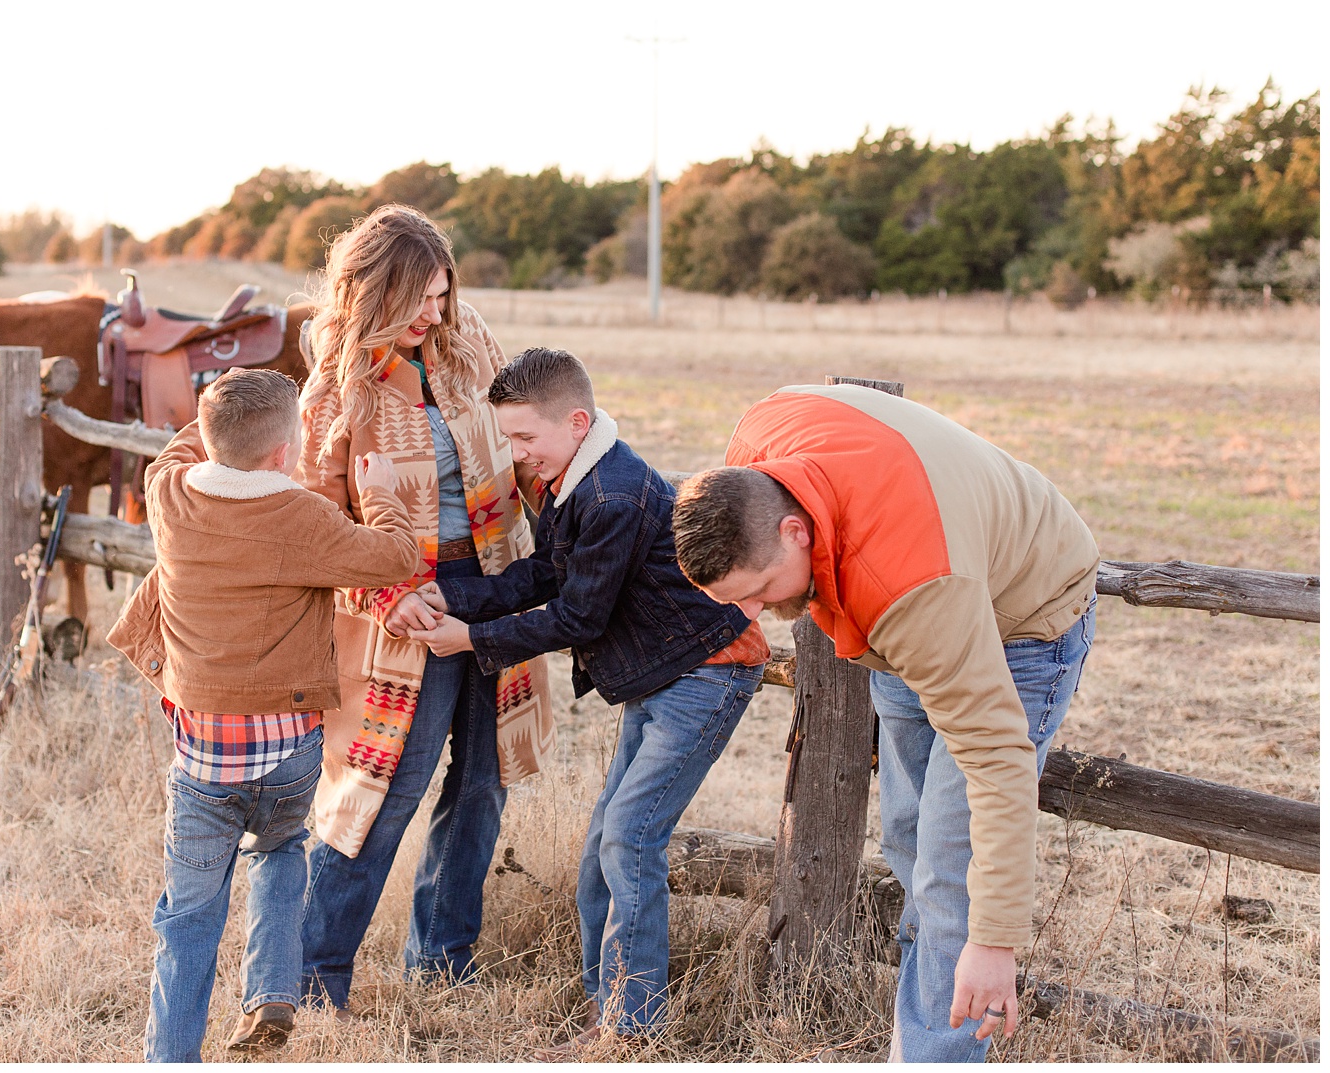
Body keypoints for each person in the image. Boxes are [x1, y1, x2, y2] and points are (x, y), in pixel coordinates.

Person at [670, 383, 1098, 1063]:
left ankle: (932, 1047)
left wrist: (993, 942)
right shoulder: (757, 446)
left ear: (794, 529)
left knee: (949, 875)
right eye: (733, 600)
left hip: (1017, 617)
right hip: (904, 601)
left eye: (757, 589)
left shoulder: (913, 587)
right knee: (910, 838)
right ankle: (922, 1021)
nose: (751, 614)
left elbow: (997, 762)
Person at [408, 348, 767, 1049]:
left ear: (576, 421)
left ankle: (631, 1032)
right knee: (607, 842)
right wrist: (451, 594)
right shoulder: (568, 480)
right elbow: (543, 572)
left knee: (632, 836)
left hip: (707, 672)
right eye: (508, 438)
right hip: (658, 673)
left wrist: (470, 639)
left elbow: (577, 618)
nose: (515, 453)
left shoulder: (614, 495)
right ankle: (609, 1007)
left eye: (523, 438)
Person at [106, 368, 419, 1061]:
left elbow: (176, 453)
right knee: (281, 849)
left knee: (186, 918)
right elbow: (396, 556)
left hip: (202, 760)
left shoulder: (169, 494)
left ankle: (171, 1057)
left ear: (207, 435)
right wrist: (384, 495)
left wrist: (216, 415)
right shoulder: (304, 516)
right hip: (288, 755)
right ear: (289, 448)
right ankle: (273, 987)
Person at [294, 205, 556, 1011]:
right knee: (385, 788)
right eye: (420, 298)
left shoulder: (468, 338)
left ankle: (441, 955)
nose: (434, 313)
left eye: (443, 294)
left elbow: (527, 438)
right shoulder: (336, 390)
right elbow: (314, 526)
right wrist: (385, 593)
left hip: (498, 581)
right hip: (401, 606)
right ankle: (314, 976)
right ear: (375, 290)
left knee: (484, 778)